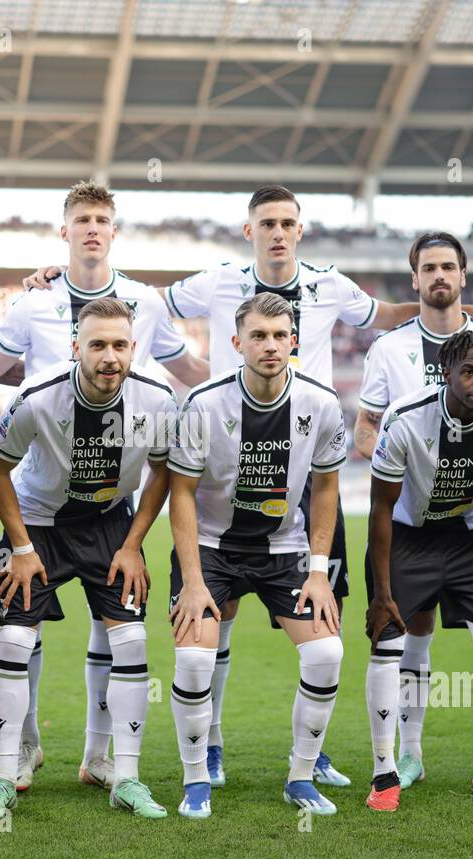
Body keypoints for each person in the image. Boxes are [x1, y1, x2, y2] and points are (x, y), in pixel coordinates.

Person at [33, 184, 473, 790]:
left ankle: (310, 757)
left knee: (325, 613)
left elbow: (393, 315)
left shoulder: (329, 284)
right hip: (225, 460)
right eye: (268, 223)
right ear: (250, 230)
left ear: (300, 229)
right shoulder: (215, 281)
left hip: (305, 464)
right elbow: (145, 301)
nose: (279, 232)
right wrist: (67, 275)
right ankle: (208, 747)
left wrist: (469, 315)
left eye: (288, 222)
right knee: (217, 613)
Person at [0, 180, 209, 794]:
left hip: (111, 501)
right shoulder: (35, 302)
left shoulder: (145, 303)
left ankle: (104, 759)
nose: (93, 228)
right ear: (66, 230)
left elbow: (189, 375)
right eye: (83, 219)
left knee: (120, 634)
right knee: (23, 631)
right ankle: (20, 750)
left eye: (103, 218)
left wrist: (264, 379)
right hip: (43, 501)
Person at [0, 297, 177, 822]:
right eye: (97, 345)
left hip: (110, 527)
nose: (109, 357)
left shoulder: (157, 400)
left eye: (119, 345)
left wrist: (132, 544)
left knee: (131, 639)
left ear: (133, 348)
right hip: (38, 526)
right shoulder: (38, 397)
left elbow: (164, 472)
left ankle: (121, 773)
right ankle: (4, 773)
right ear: (75, 349)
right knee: (15, 639)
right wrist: (20, 547)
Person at [354, 232, 473, 788]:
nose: (439, 275)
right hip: (413, 515)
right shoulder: (389, 349)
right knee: (416, 625)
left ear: (463, 276)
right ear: (414, 280)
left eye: (448, 267)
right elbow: (367, 427)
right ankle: (408, 753)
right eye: (428, 267)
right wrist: (404, 459)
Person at [166, 292, 346, 819]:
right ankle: (197, 776)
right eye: (258, 335)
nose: (270, 345)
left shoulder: (321, 402)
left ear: (294, 342)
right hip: (212, 547)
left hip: (284, 549)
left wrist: (318, 572)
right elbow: (181, 493)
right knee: (196, 658)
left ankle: (299, 775)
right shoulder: (205, 403)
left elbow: (326, 488)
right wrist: (194, 582)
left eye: (280, 336)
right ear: (236, 341)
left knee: (326, 654)